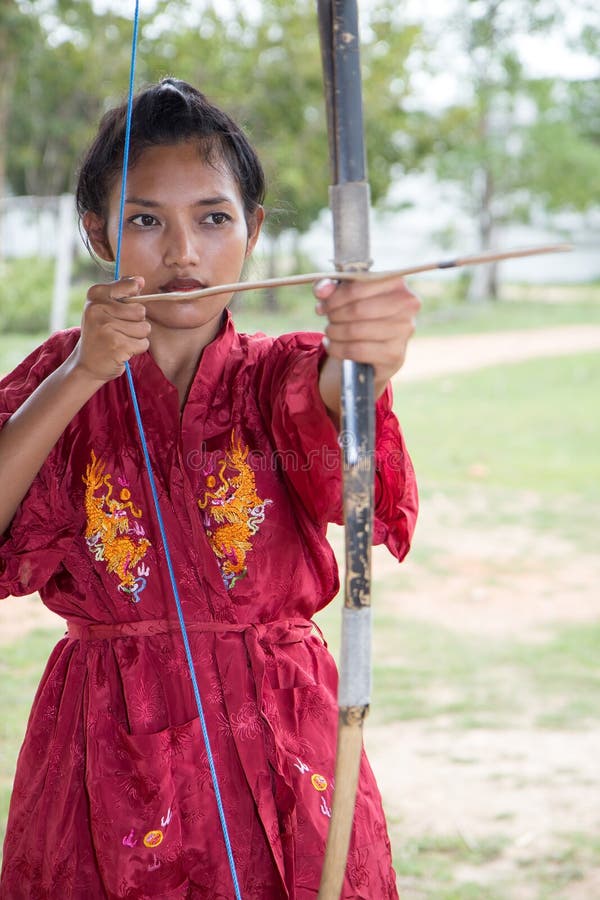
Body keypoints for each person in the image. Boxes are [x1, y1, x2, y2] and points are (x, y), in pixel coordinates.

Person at [0, 78, 419, 899]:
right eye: (146, 220)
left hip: (281, 741)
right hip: (105, 755)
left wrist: (365, 352)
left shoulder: (276, 372)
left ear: (255, 230)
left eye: (214, 218)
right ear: (98, 232)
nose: (183, 253)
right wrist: (85, 373)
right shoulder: (61, 376)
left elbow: (330, 401)